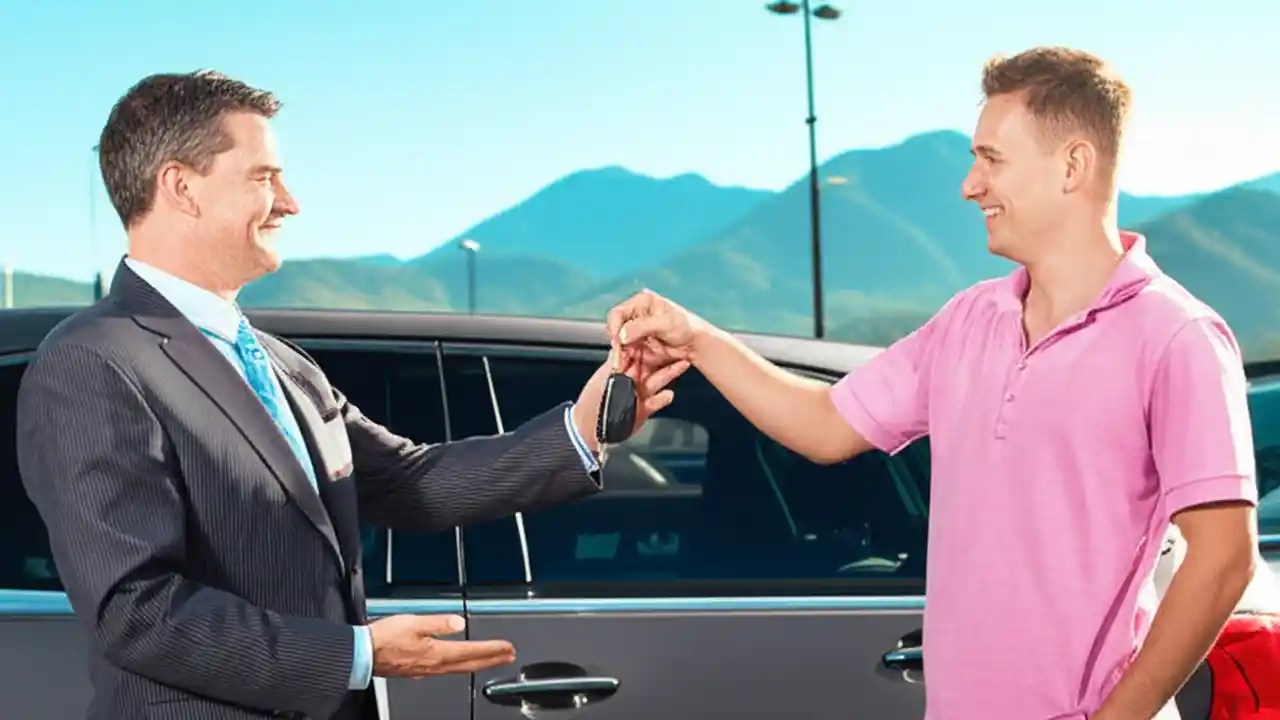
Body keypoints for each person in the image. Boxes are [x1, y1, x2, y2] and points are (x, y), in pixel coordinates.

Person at [606, 46, 1259, 719]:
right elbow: (825, 426)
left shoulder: (1178, 337)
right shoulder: (967, 321)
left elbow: (1223, 560)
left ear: (1074, 165)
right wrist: (700, 339)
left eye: (991, 159)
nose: (969, 185)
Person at [15, 70, 688, 720]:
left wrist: (585, 424)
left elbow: (410, 480)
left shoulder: (280, 364)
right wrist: (356, 653)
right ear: (181, 187)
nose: (290, 201)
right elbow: (138, 611)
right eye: (263, 177)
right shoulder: (91, 362)